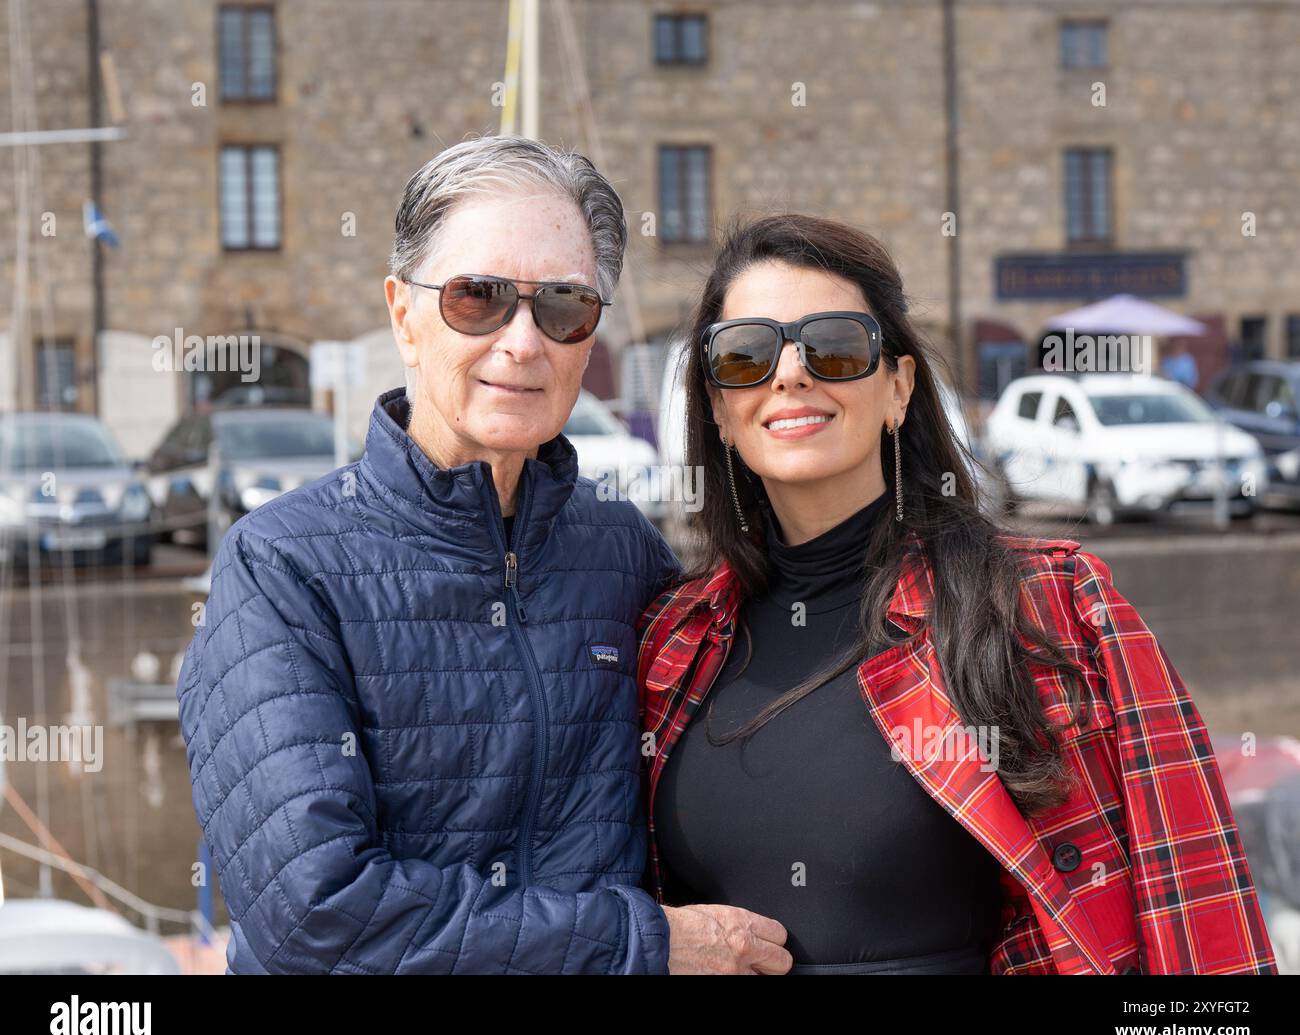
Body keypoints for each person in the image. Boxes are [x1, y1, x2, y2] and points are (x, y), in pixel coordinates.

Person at [176, 135, 781, 974]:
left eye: (564, 307)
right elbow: (315, 915)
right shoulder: (282, 567)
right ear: (403, 314)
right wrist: (641, 943)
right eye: (478, 297)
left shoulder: (623, 552)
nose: (523, 341)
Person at [637, 213, 1279, 975]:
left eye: (835, 346)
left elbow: (1202, 925)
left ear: (899, 387)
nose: (791, 374)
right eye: (745, 354)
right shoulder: (670, 641)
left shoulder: (1054, 605)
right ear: (716, 405)